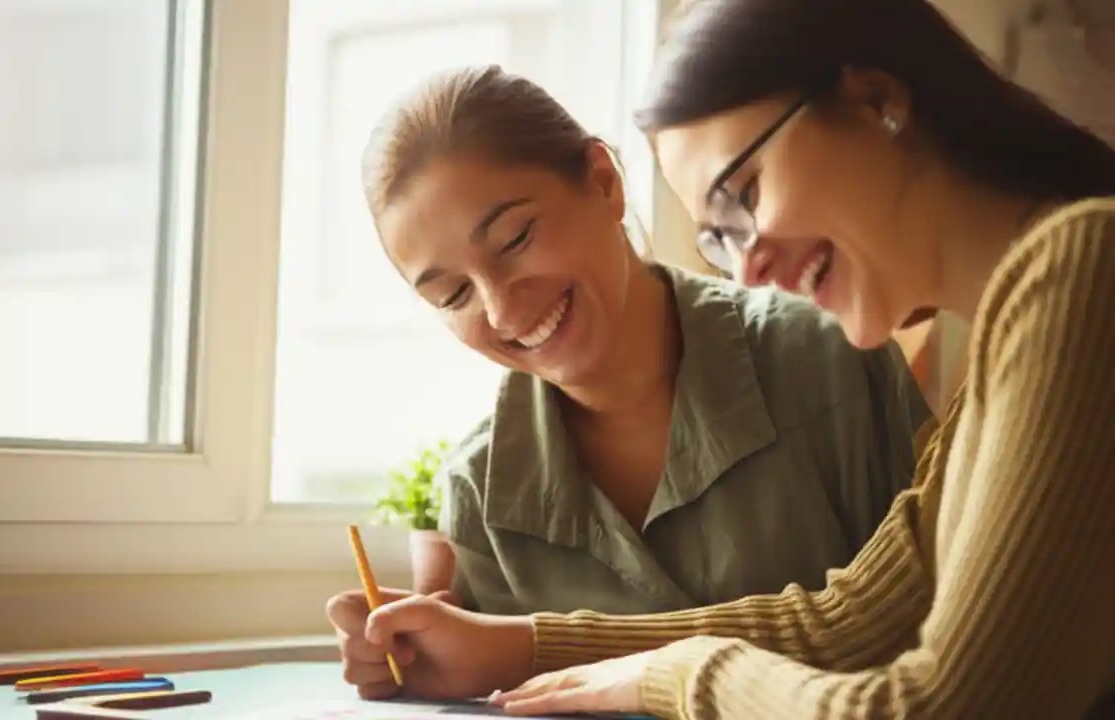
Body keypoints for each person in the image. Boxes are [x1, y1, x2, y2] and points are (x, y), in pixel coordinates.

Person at [331, 1, 1115, 718]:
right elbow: (850, 618)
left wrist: (678, 673)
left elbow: (940, 706)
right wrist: (518, 646)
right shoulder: (1012, 342)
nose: (748, 271)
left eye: (745, 192)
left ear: (878, 103)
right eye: (719, 232)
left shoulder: (1083, 268)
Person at [328, 57, 929, 683]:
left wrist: (535, 647)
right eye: (453, 295)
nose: (502, 309)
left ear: (603, 182)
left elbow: (927, 637)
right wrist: (411, 662)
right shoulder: (480, 494)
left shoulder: (828, 360)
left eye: (514, 239)